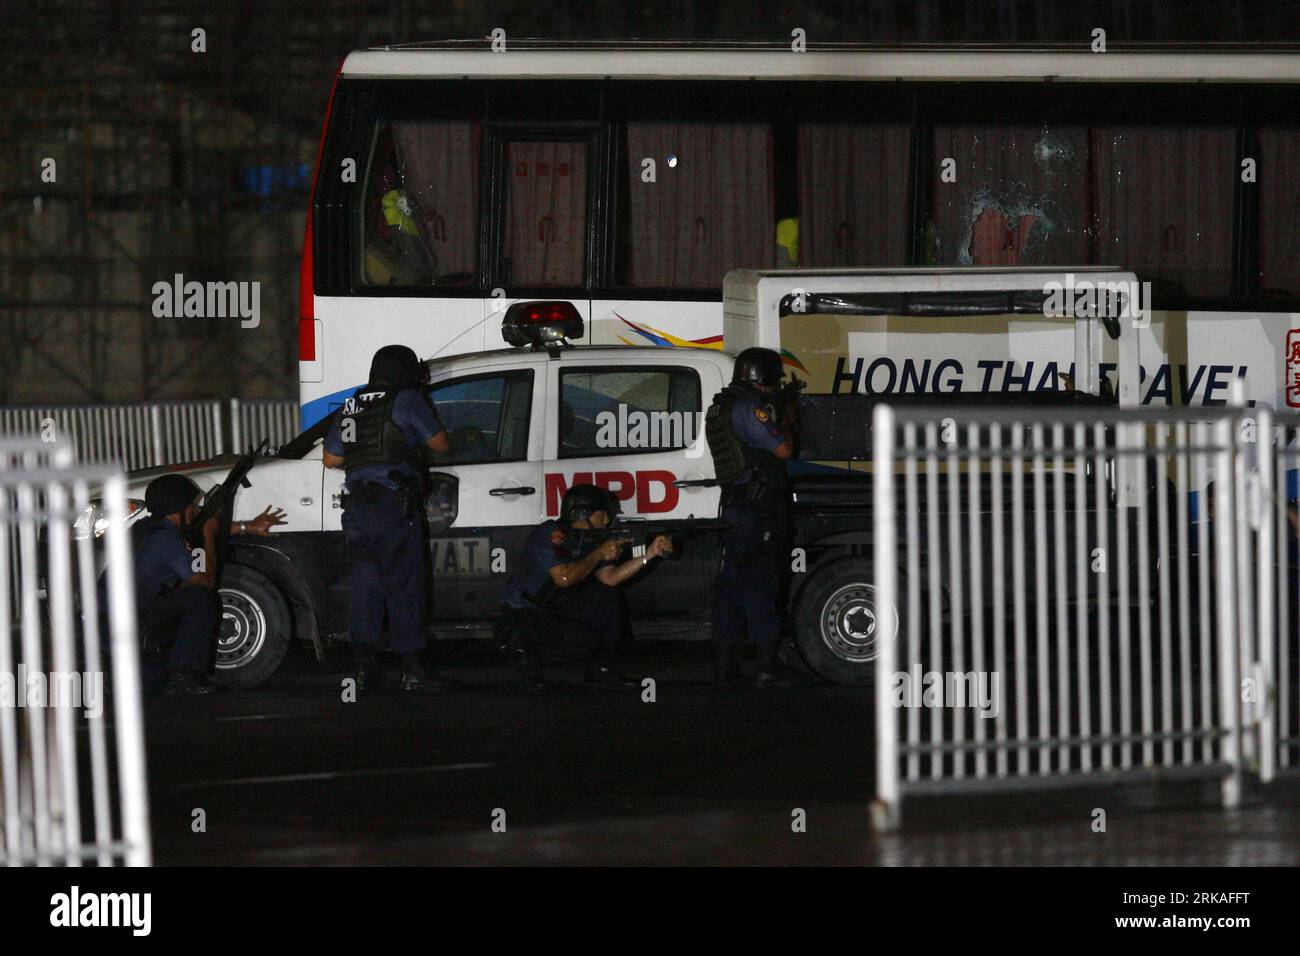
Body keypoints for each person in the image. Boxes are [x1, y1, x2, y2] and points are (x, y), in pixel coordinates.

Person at [323, 344, 449, 691]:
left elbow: (330, 459)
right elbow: (441, 444)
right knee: (404, 584)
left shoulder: (351, 404)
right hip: (394, 506)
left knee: (365, 586)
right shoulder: (406, 400)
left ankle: (366, 670)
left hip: (357, 511)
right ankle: (412, 670)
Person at [497, 484, 672, 688]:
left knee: (606, 593)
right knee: (583, 643)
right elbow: (564, 578)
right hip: (527, 612)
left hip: (558, 606)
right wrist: (599, 553)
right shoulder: (552, 534)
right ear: (582, 514)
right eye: (602, 514)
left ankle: (603, 668)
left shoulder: (592, 538)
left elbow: (611, 578)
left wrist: (650, 553)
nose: (607, 520)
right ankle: (524, 652)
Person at [130, 474, 286, 696]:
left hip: (124, 619)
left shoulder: (147, 529)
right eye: (192, 505)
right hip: (133, 624)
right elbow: (205, 581)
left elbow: (193, 539)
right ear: (179, 510)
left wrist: (247, 526)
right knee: (199, 598)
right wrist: (209, 537)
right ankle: (182, 677)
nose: (196, 510)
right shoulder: (165, 542)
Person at [704, 346, 800, 687]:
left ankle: (724, 662)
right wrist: (785, 422)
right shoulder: (749, 407)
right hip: (757, 508)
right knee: (762, 582)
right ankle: (768, 665)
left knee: (731, 585)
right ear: (765, 378)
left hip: (735, 504)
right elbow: (783, 450)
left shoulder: (722, 404)